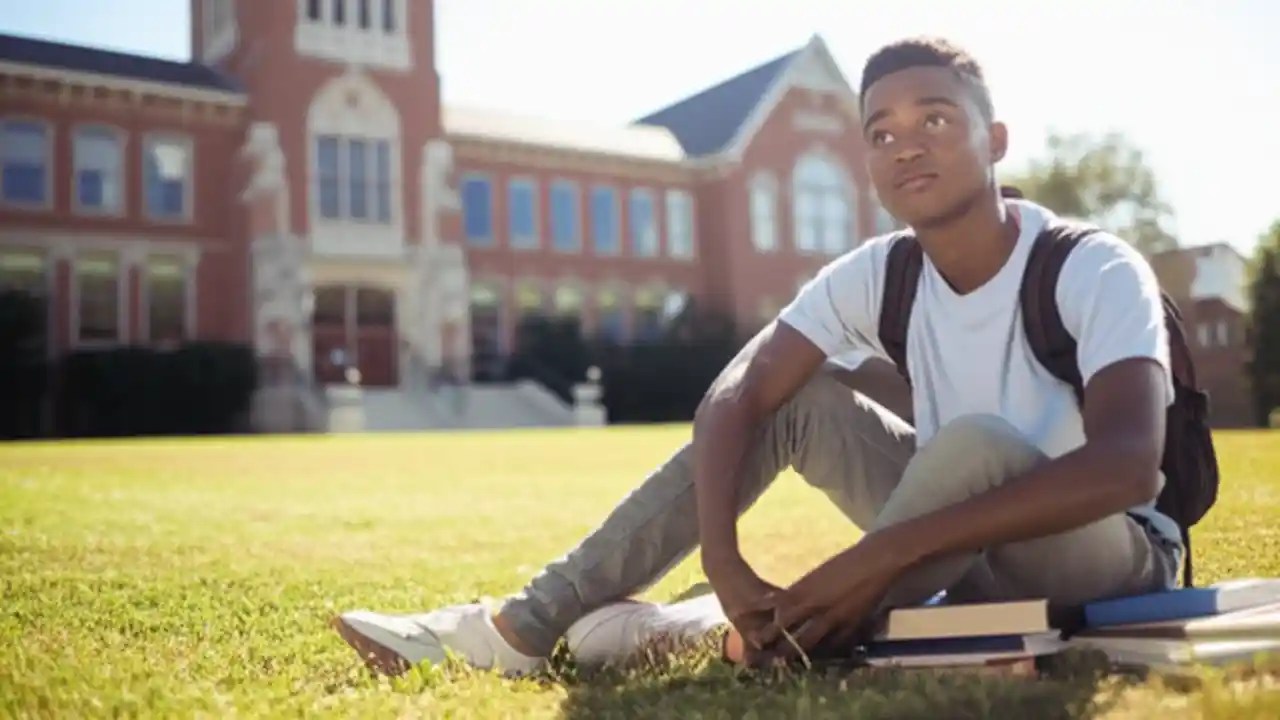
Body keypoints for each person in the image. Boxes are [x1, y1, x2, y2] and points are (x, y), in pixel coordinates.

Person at [332, 36, 1183, 676]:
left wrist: (880, 554)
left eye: (935, 119)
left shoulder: (1090, 265)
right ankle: (520, 627)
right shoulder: (879, 274)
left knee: (977, 447)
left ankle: (712, 635)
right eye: (880, 133)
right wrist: (722, 556)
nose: (906, 145)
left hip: (1109, 558)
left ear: (994, 139)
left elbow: (1126, 469)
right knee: (795, 400)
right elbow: (734, 396)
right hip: (946, 553)